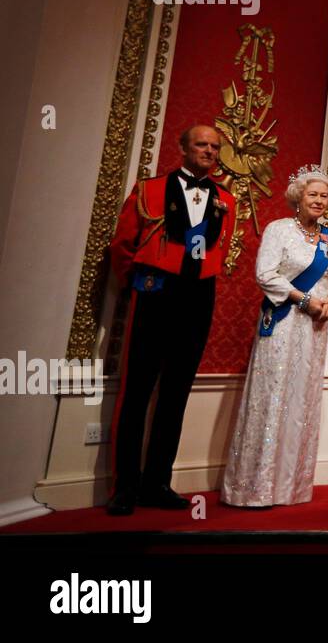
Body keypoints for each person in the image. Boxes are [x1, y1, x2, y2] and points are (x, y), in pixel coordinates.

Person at [106, 124, 237, 515]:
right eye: (201, 144)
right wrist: (139, 283)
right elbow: (122, 245)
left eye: (215, 147)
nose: (209, 151)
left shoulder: (225, 200)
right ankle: (125, 487)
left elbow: (220, 249)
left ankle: (157, 482)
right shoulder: (149, 189)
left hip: (198, 296)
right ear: (183, 148)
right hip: (155, 290)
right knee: (137, 392)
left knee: (176, 394)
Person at [221, 166, 328, 507]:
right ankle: (254, 489)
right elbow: (265, 275)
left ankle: (291, 487)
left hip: (315, 327)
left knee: (302, 398)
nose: (319, 201)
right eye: (312, 195)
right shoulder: (278, 230)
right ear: (298, 198)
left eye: (324, 196)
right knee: (273, 395)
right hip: (286, 320)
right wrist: (304, 299)